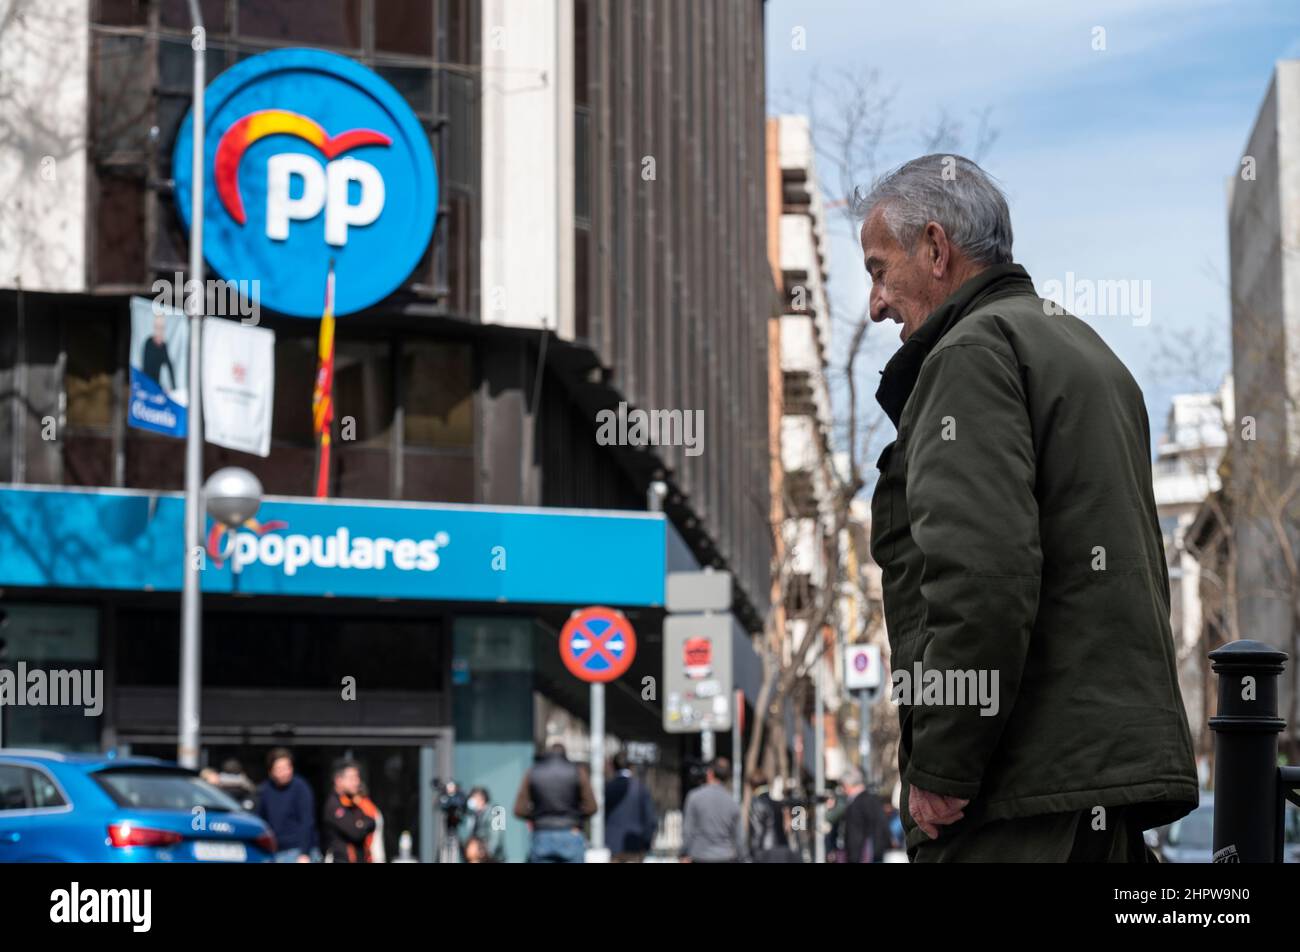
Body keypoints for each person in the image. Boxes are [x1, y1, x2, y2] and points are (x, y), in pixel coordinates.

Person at [859, 154, 1199, 862]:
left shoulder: (969, 356)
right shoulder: (1083, 350)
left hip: (1012, 799)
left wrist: (943, 767)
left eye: (878, 268)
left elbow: (984, 577)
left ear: (934, 248)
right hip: (1092, 787)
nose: (876, 301)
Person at [513, 737, 597, 863]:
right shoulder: (577, 772)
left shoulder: (533, 772)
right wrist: (576, 819)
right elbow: (591, 807)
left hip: (542, 834)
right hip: (571, 833)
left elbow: (519, 809)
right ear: (565, 753)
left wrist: (537, 817)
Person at [255, 748, 317, 863]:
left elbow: (307, 821)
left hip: (297, 850)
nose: (285, 772)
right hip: (274, 851)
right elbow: (260, 821)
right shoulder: (265, 790)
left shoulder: (301, 787)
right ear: (270, 771)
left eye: (287, 768)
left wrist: (304, 853)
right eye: (279, 769)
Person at [681, 757, 741, 863]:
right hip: (725, 856)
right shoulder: (732, 802)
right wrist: (743, 857)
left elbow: (688, 831)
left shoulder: (694, 797)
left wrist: (684, 853)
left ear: (710, 773)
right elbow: (739, 836)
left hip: (700, 856)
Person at [604, 752, 658, 862]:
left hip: (614, 845)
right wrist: (647, 842)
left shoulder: (608, 787)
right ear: (630, 766)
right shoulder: (640, 787)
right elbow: (650, 818)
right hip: (636, 844)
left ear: (613, 766)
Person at [321, 760, 377, 864]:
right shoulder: (333, 805)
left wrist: (361, 824)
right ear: (338, 780)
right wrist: (360, 825)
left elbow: (372, 822)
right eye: (352, 778)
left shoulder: (352, 802)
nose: (357, 782)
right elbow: (355, 833)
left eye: (357, 778)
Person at [840, 770, 891, 864]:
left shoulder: (856, 804)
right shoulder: (874, 799)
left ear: (847, 785)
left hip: (862, 855)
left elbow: (854, 835)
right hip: (877, 853)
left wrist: (853, 858)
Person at [747, 770, 798, 863]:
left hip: (765, 852)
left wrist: (751, 855)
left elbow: (757, 832)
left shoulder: (757, 803)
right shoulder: (776, 802)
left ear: (753, 786)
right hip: (783, 849)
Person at [459, 786, 505, 863]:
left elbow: (496, 836)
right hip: (478, 855)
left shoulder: (496, 811)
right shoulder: (474, 814)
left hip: (492, 858)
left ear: (481, 799)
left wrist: (488, 853)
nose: (472, 802)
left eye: (474, 798)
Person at [140, 312, 176, 391]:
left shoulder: (164, 346)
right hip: (148, 385)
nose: (159, 331)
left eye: (162, 328)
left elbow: (170, 367)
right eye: (157, 327)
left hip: (156, 386)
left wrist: (173, 388)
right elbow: (145, 368)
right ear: (154, 328)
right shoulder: (148, 343)